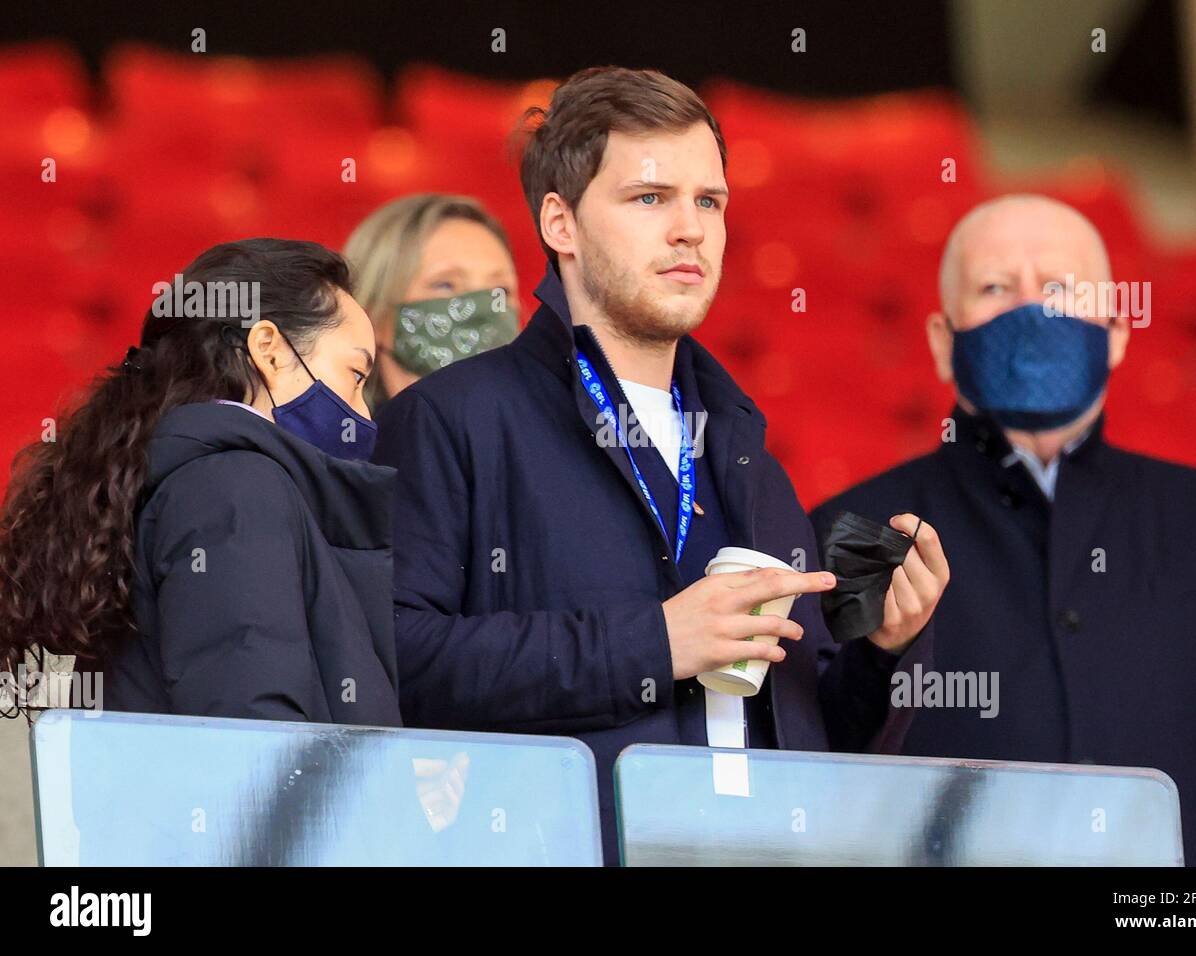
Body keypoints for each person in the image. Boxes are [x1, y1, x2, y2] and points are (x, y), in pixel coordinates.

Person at [373, 67, 950, 862]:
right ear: (561, 223)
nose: (691, 229)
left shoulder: (751, 458)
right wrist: (654, 645)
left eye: (709, 201)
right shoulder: (452, 418)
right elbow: (399, 665)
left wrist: (888, 649)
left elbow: (819, 745)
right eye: (650, 198)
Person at [811, 194, 1196, 866]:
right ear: (941, 340)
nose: (1031, 309)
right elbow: (809, 765)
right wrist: (881, 654)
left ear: (1117, 331)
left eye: (1060, 288)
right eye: (994, 288)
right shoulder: (863, 527)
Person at [0, 239, 401, 726]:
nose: (362, 412)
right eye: (355, 374)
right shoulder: (235, 487)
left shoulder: (194, 477)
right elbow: (252, 737)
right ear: (269, 351)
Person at [344, 193, 520, 409]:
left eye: (500, 290)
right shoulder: (336, 439)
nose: (485, 306)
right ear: (370, 316)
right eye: (445, 284)